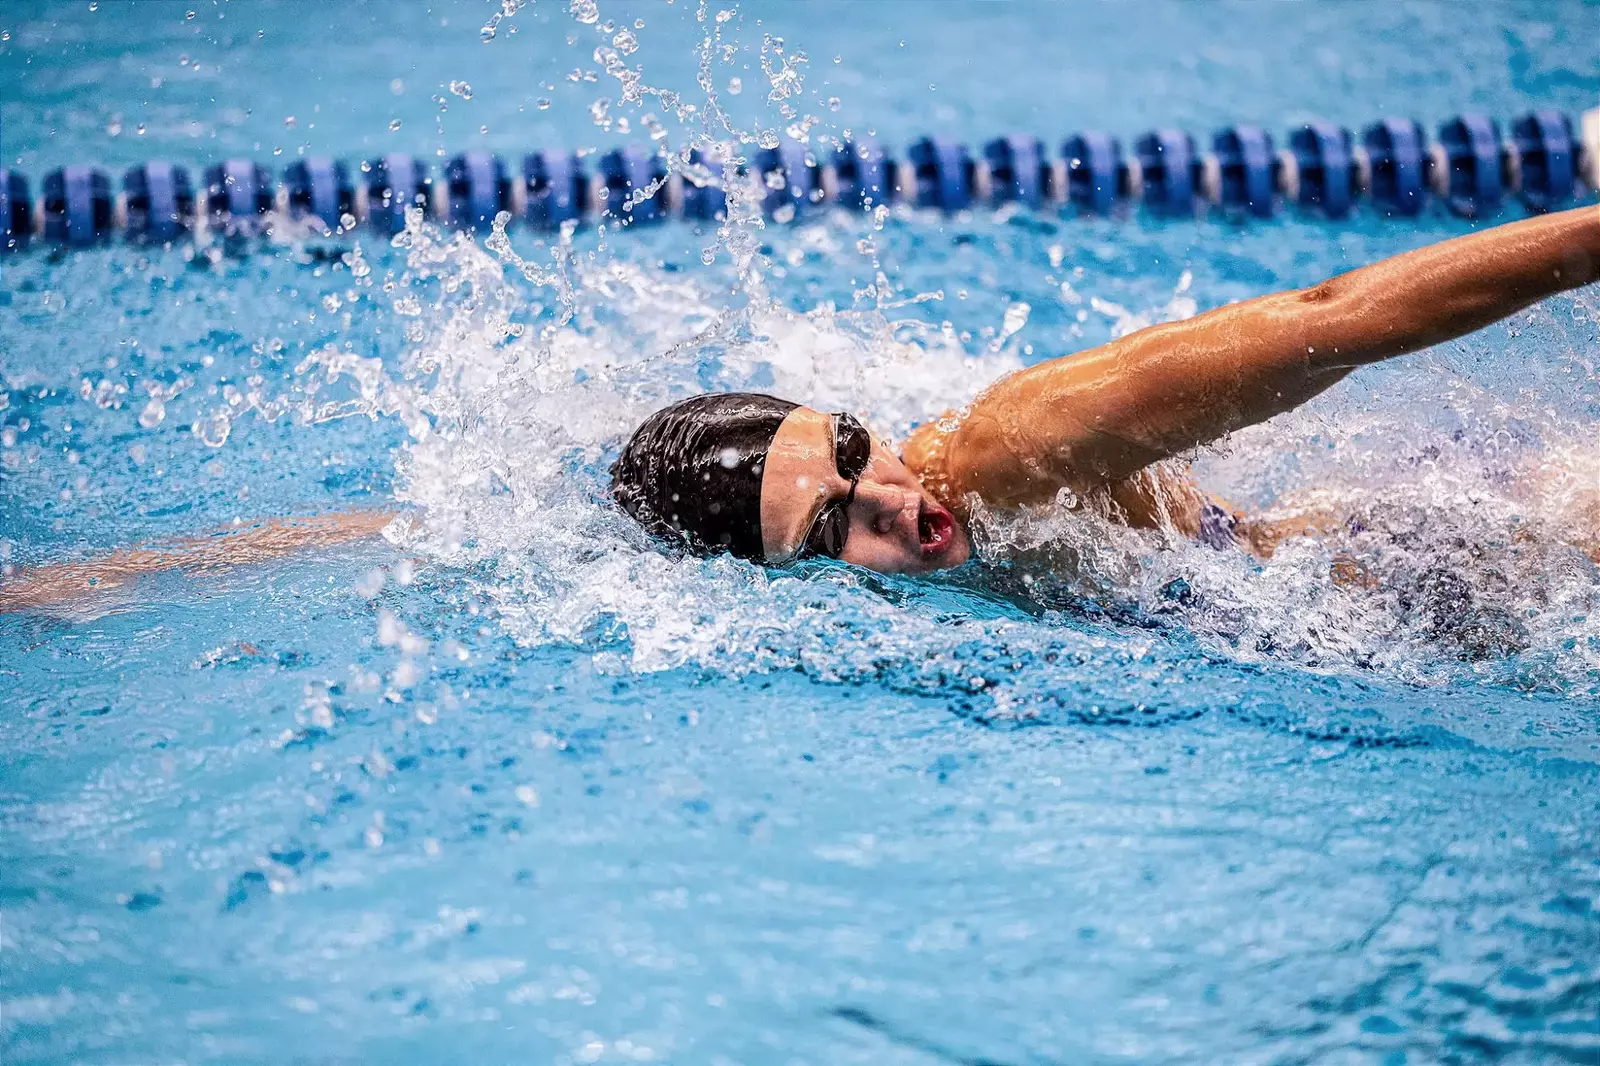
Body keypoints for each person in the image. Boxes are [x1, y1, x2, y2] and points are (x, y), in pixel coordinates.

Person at [2, 205, 1597, 616]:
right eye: (830, 528)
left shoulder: (1010, 448)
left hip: (1430, 557)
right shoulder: (727, 583)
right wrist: (120, 574)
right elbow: (469, 531)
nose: (892, 502)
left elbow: (1327, 320)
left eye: (849, 457)